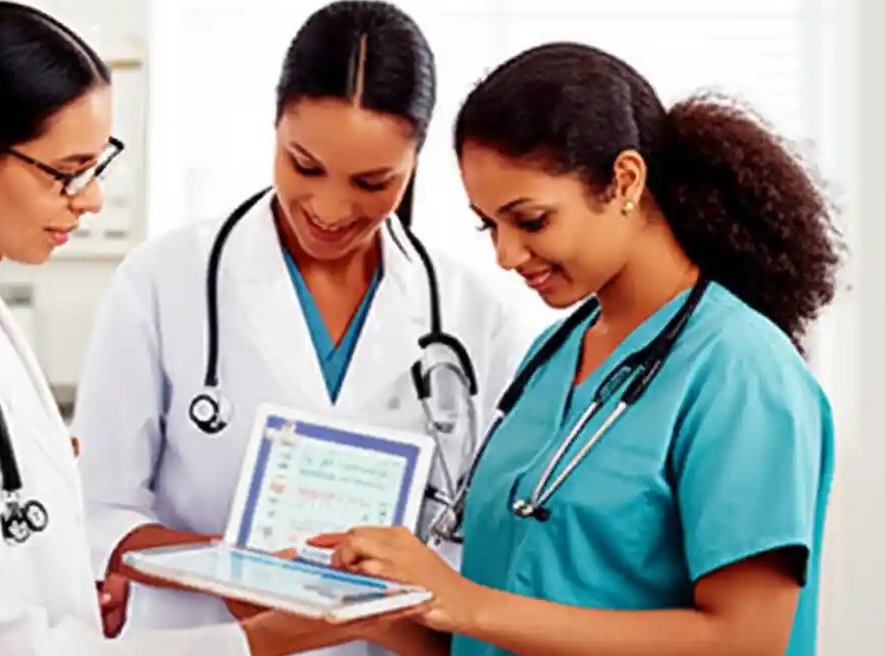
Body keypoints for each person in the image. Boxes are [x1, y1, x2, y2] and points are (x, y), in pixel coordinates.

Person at [0, 0, 377, 656]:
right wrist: (249, 642)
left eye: (98, 166)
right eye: (67, 172)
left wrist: (67, 586)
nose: (92, 198)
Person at [312, 42, 841, 656]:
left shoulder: (741, 370)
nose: (506, 256)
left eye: (531, 220)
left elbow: (746, 641)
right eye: (490, 226)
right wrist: (377, 604)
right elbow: (491, 634)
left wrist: (468, 603)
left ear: (625, 181)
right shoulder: (551, 356)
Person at [70, 0, 539, 654]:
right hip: (204, 641)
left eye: (374, 181)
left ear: (415, 162)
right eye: (305, 165)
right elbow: (97, 513)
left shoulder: (473, 314)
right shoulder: (163, 281)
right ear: (273, 126)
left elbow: (480, 544)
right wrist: (234, 570)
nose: (329, 208)